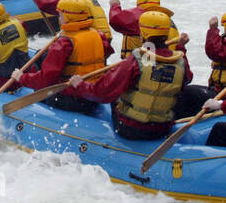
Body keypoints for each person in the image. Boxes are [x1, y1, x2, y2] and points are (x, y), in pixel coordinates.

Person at [67, 11, 204, 140]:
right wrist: (180, 47)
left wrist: (80, 85)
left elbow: (103, 93)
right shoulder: (179, 61)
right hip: (162, 129)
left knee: (115, 99)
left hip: (132, 129)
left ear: (143, 32)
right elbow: (185, 79)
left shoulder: (137, 59)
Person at [16, 0, 113, 113]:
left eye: (60, 15)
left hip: (72, 98)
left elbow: (46, 79)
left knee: (37, 78)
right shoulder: (99, 35)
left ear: (68, 17)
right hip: (92, 94)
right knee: (41, 55)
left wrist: (21, 78)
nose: (59, 18)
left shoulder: (65, 43)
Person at [108, 0, 184, 59]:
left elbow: (116, 20)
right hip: (171, 59)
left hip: (145, 62)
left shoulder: (142, 17)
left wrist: (115, 5)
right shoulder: (167, 19)